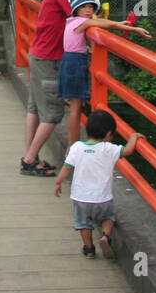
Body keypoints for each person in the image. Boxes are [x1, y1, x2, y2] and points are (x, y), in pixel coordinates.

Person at [59, 0, 152, 149]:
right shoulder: (82, 23)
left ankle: (72, 147)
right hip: (74, 64)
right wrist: (131, 28)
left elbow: (97, 22)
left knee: (77, 106)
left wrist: (100, 19)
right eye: (84, 7)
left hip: (71, 62)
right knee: (76, 108)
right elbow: (106, 24)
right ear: (76, 9)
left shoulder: (72, 21)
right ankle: (72, 148)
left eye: (90, 7)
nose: (88, 10)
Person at [21, 0, 83, 176]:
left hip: (40, 53)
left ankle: (29, 156)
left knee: (35, 108)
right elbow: (78, 17)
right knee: (53, 112)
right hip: (48, 58)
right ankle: (29, 159)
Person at [53, 109, 142, 258]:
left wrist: (58, 182)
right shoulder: (109, 149)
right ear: (108, 134)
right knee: (108, 218)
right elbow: (128, 150)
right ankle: (105, 236)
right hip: (102, 198)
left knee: (83, 224)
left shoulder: (77, 147)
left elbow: (67, 167)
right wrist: (133, 137)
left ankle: (89, 249)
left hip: (80, 197)